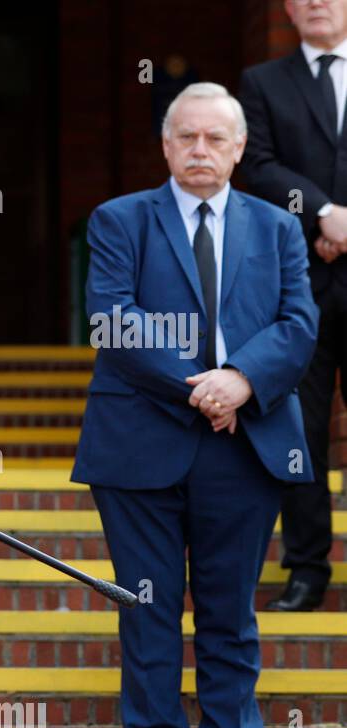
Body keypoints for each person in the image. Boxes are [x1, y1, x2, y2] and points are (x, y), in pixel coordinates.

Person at [71, 83, 317, 728]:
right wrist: (200, 387)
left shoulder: (277, 227)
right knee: (146, 601)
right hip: (141, 440)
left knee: (228, 604)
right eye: (187, 137)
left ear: (240, 148)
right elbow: (113, 319)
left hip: (245, 441)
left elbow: (298, 324)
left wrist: (242, 379)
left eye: (216, 139)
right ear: (166, 145)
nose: (201, 150)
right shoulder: (120, 220)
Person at [238, 0, 347, 611]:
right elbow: (257, 164)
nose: (316, 2)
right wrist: (327, 216)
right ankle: (307, 569)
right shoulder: (263, 82)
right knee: (298, 431)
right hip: (296, 282)